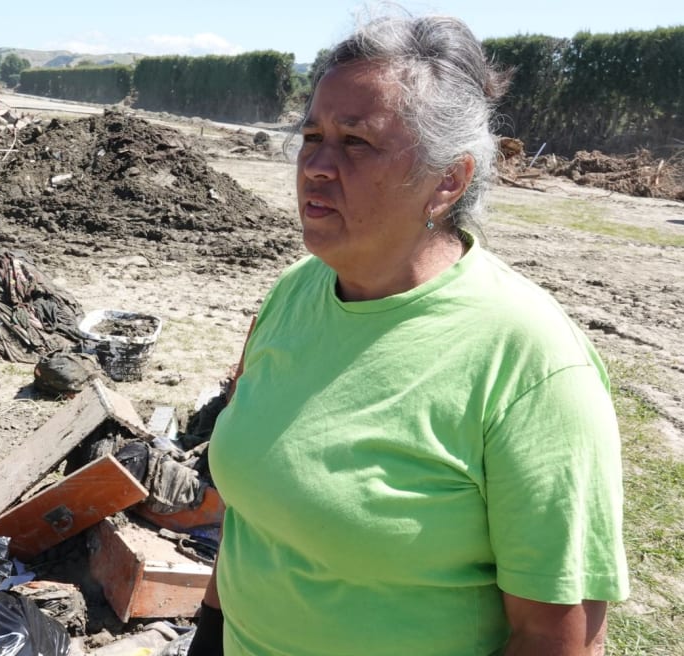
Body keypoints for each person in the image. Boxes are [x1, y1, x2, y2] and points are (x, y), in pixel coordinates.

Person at [189, 10, 629, 656]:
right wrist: (209, 632)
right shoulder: (293, 295)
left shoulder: (529, 362)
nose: (315, 164)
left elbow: (555, 638)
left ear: (448, 180)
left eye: (356, 142)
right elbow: (255, 514)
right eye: (311, 135)